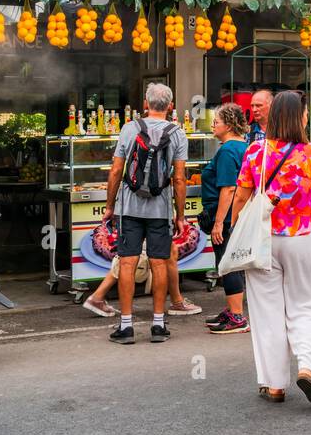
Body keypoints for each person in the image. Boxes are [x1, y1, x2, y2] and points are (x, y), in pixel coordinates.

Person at [231, 91, 311, 405]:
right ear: (299, 118)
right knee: (308, 306)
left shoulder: (255, 151)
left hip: (263, 241)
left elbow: (241, 197)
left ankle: (274, 385)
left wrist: (236, 229)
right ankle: (307, 367)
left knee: (267, 311)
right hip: (301, 238)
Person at [102, 82, 188, 344]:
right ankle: (159, 324)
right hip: (160, 210)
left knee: (127, 262)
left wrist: (109, 206)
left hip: (129, 208)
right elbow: (180, 179)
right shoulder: (178, 133)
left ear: (146, 105)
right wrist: (180, 214)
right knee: (159, 262)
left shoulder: (130, 129)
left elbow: (116, 171)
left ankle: (126, 326)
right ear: (171, 107)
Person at [200, 103, 249, 333]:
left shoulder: (228, 150)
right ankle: (233, 310)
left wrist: (219, 222)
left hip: (228, 216)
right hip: (238, 215)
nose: (213, 125)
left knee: (227, 264)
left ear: (228, 125)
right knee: (234, 263)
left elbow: (228, 189)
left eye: (217, 121)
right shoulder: (244, 147)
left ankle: (237, 316)